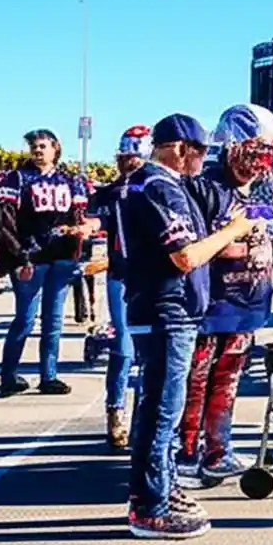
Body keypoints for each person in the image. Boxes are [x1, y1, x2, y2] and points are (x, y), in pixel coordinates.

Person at [125, 113, 251, 539]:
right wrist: (233, 229)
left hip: (172, 311)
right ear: (181, 149)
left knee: (163, 407)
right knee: (161, 410)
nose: (203, 160)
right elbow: (185, 256)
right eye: (200, 152)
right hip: (166, 312)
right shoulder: (158, 186)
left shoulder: (167, 186)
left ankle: (162, 488)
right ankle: (151, 507)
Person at [178, 104, 273, 490]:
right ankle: (185, 454)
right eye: (252, 152)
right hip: (208, 302)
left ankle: (219, 450)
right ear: (231, 145)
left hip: (250, 304)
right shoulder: (203, 186)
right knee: (195, 379)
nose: (258, 162)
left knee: (229, 379)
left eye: (266, 154)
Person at [0, 129, 98, 397]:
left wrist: (78, 247)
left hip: (61, 259)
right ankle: (8, 376)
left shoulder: (71, 181)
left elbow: (80, 217)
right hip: (30, 257)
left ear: (56, 148)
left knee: (54, 321)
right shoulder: (17, 179)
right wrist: (18, 256)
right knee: (25, 320)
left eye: (43, 146)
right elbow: (5, 222)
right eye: (34, 146)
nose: (38, 150)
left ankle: (49, 375)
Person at [93, 125, 152, 448]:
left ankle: (145, 417)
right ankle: (115, 412)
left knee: (151, 352)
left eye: (134, 156)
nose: (128, 163)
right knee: (125, 346)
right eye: (124, 157)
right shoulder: (112, 192)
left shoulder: (161, 187)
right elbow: (96, 217)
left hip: (155, 278)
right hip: (121, 275)